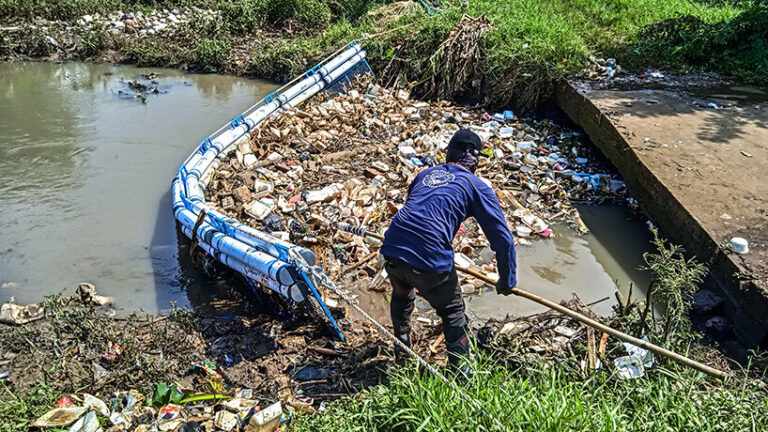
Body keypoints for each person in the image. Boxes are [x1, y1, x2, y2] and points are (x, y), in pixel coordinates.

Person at [380, 128, 517, 369]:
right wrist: (507, 279)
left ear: (448, 154)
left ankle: (402, 354)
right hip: (427, 254)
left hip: (392, 247)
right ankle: (460, 375)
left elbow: (420, 211)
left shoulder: (425, 175)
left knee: (402, 295)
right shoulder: (476, 186)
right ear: (474, 161)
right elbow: (503, 240)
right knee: (452, 311)